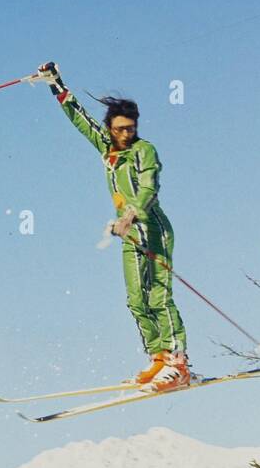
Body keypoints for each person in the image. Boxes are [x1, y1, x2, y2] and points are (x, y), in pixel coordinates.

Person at [36, 63, 190, 391]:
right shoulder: (106, 147)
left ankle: (179, 363)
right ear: (110, 127)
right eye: (119, 129)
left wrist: (130, 214)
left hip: (153, 229)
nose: (125, 134)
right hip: (129, 234)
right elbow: (80, 119)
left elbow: (149, 187)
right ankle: (159, 357)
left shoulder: (143, 150)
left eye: (130, 129)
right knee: (136, 299)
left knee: (158, 296)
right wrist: (55, 83)